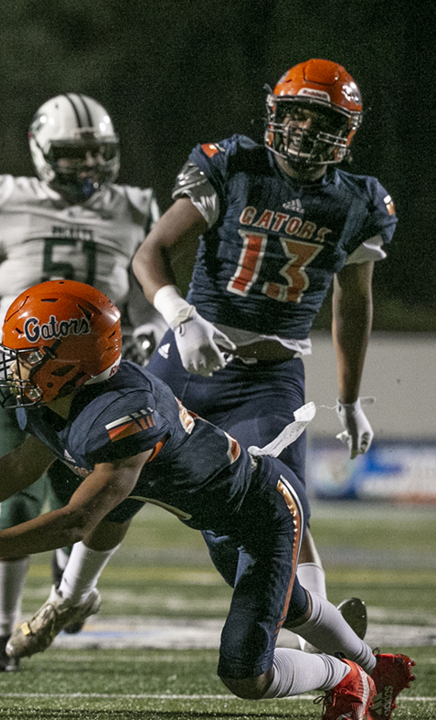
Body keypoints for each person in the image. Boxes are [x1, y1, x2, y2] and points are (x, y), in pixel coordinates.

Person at [0, 279, 415, 720]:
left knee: (245, 673)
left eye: (26, 355)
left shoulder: (123, 414)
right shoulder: (63, 399)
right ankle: (378, 667)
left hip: (263, 514)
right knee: (289, 606)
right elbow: (22, 466)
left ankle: (346, 678)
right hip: (217, 515)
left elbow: (76, 522)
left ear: (68, 360)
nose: (13, 366)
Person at [132, 58, 394, 659]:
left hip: (271, 373)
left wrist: (349, 399)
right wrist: (181, 315)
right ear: (275, 112)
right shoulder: (233, 163)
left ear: (345, 130)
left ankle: (323, 648)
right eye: (295, 113)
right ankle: (71, 591)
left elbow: (352, 309)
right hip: (191, 349)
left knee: (284, 505)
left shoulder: (360, 202)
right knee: (123, 463)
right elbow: (152, 252)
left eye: (318, 117)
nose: (302, 129)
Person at [0, 93, 165, 672]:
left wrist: (154, 334)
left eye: (98, 154)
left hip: (95, 381)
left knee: (81, 500)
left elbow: (147, 299)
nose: (88, 167)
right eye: (73, 154)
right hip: (15, 374)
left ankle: (69, 577)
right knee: (14, 492)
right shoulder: (8, 197)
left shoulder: (135, 207)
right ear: (42, 152)